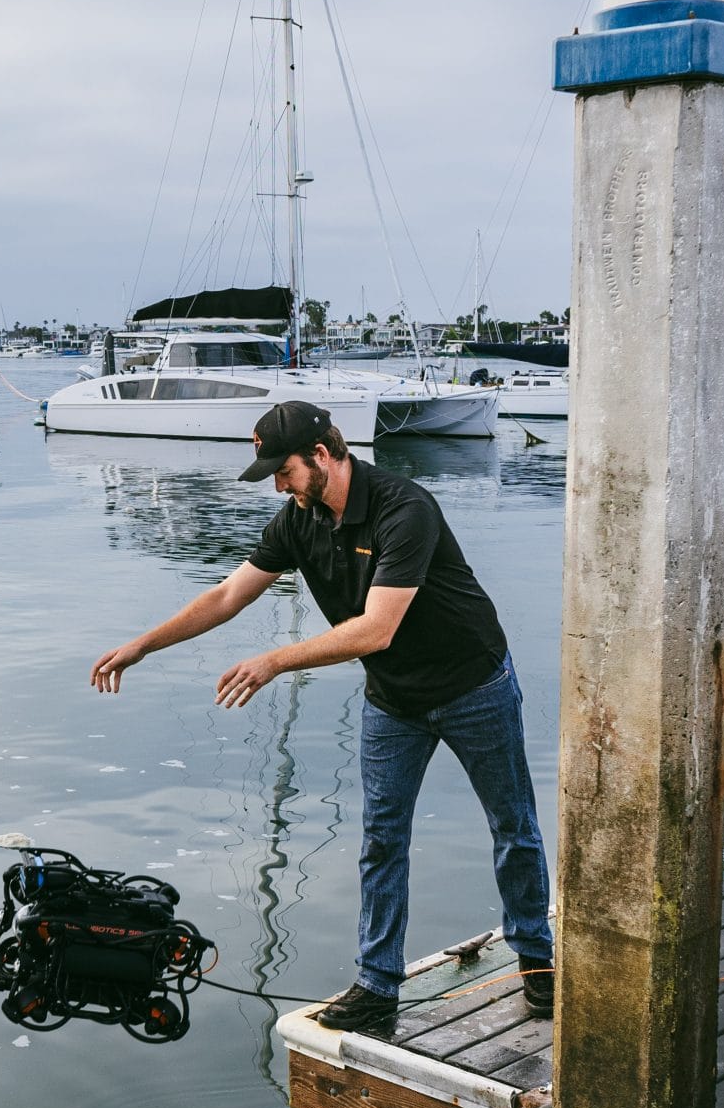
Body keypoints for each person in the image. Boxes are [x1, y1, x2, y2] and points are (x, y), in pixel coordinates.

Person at [90, 399, 554, 1034]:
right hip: (394, 701)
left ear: (323, 454)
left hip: (473, 684)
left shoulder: (403, 507)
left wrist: (276, 661)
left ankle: (537, 962)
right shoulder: (297, 520)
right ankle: (376, 987)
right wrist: (143, 645)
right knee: (382, 841)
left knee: (513, 828)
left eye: (284, 470)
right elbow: (228, 594)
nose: (279, 484)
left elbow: (377, 628)